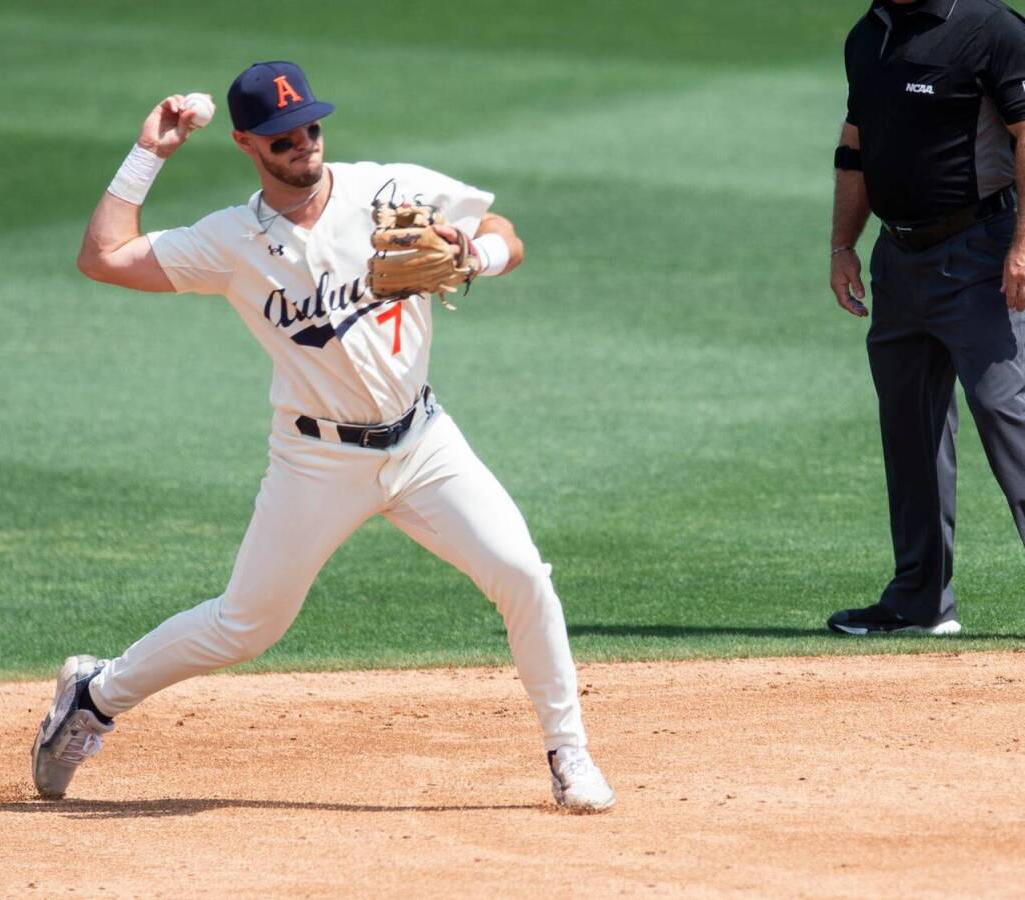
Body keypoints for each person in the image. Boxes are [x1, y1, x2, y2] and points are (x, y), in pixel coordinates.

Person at [30, 60, 615, 813]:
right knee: (246, 625)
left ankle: (568, 754)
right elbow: (102, 258)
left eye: (309, 124)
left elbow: (504, 232)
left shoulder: (389, 189)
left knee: (523, 574)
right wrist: (152, 153)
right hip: (316, 459)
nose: (303, 140)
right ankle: (95, 693)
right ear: (247, 143)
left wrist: (476, 255)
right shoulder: (230, 240)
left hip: (424, 444)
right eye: (282, 134)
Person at [825, 0, 1025, 638]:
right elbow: (856, 145)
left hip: (979, 252)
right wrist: (843, 244)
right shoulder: (868, 35)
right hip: (898, 260)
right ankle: (920, 599)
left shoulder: (992, 29)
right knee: (909, 427)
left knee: (1003, 408)